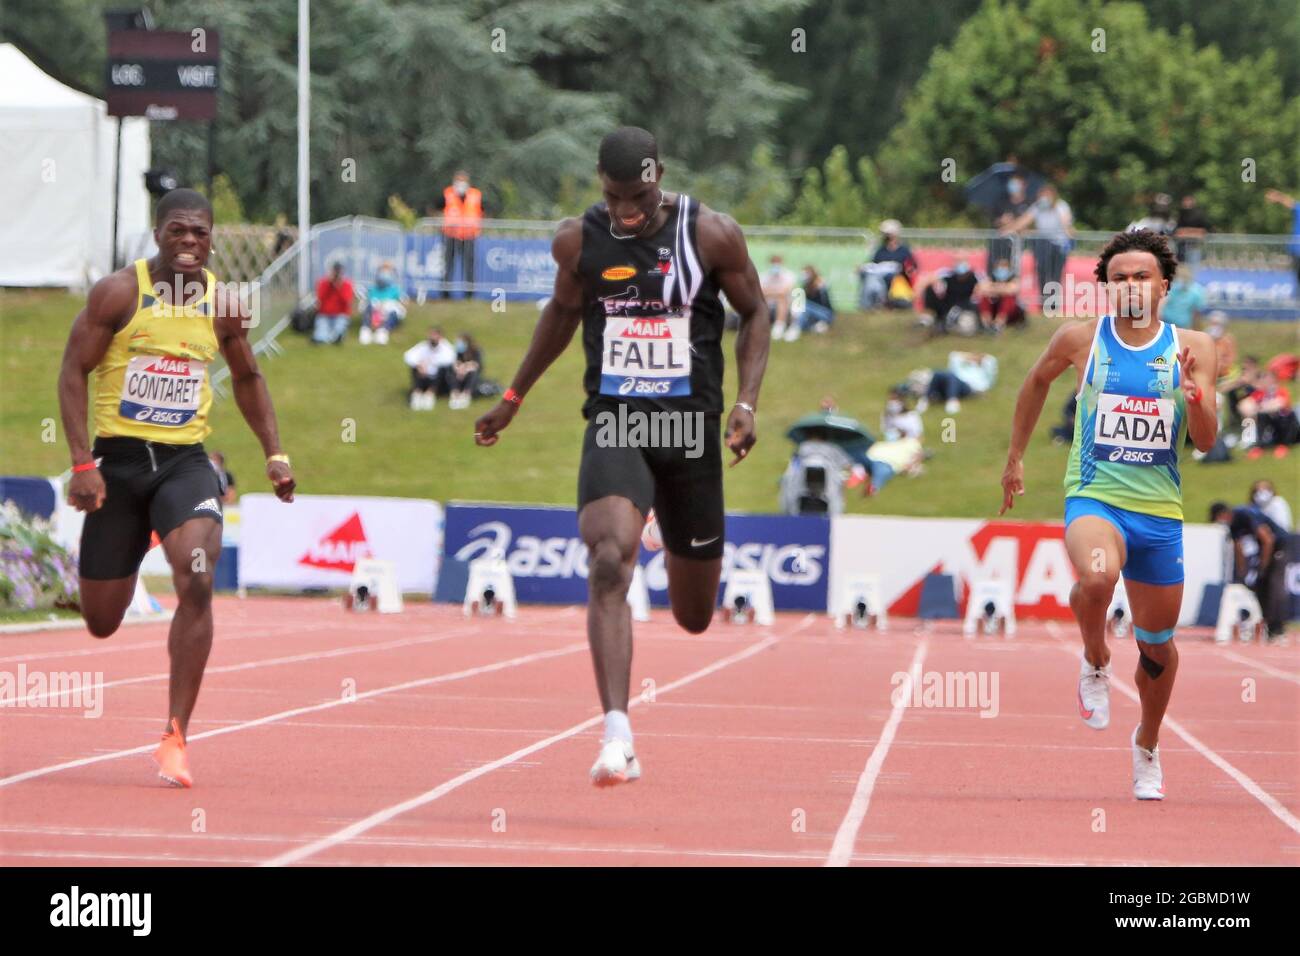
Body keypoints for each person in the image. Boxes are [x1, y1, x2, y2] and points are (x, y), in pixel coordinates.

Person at [473, 126, 770, 787]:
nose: (626, 212)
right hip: (617, 419)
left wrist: (747, 402)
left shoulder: (711, 234)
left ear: (659, 176)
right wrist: (514, 397)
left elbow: (757, 314)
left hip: (691, 430)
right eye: (614, 198)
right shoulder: (578, 240)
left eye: (637, 197)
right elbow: (561, 311)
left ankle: (665, 514)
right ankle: (617, 735)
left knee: (694, 617)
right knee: (608, 559)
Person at [57, 188, 296, 788]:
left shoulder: (225, 304)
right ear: (158, 234)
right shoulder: (119, 292)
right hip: (117, 464)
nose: (190, 243)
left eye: (201, 233)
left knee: (197, 571)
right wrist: (82, 462)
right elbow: (72, 369)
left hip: (183, 462)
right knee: (102, 621)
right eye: (178, 232)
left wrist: (274, 452)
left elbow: (248, 376)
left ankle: (175, 735)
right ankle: (128, 545)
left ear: (213, 237)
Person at [1000, 229, 1218, 801]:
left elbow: (1206, 442)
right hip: (1096, 497)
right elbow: (1035, 382)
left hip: (1159, 513)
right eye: (1118, 277)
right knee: (1096, 576)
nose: (1130, 286)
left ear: (1163, 286)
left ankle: (1146, 744)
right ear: (1105, 289)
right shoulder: (1081, 340)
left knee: (1157, 646)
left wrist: (1194, 396)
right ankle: (1095, 657)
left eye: (1141, 275)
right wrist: (1015, 457)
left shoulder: (1194, 346)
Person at [1210, 496, 1288, 642]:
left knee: (1273, 586)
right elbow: (1238, 548)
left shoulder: (1243, 514)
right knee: (1258, 587)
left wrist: (1262, 567)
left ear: (1222, 514)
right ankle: (1264, 627)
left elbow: (1268, 539)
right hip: (1264, 551)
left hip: (1279, 548)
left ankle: (1278, 629)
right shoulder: (1233, 525)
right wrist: (1242, 574)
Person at [1004, 183, 1073, 310]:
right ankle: (1043, 302)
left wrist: (1068, 229)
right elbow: (1024, 220)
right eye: (1042, 195)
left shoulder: (1060, 206)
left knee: (1055, 275)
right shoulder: (1038, 206)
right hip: (1043, 243)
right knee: (1041, 272)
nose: (1044, 198)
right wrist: (1007, 229)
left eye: (1047, 196)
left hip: (1059, 245)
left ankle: (1053, 305)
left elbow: (1066, 222)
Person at [433, 170, 485, 299]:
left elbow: (484, 210)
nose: (461, 183)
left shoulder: (475, 195)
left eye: (463, 180)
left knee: (469, 265)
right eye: (459, 180)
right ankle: (445, 293)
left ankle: (469, 294)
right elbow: (434, 207)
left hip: (469, 235)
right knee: (448, 264)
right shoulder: (448, 193)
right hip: (451, 235)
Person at [1242, 369, 1297, 457]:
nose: (1265, 380)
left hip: (1285, 422)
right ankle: (1259, 447)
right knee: (1261, 416)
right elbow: (1245, 405)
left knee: (1285, 416)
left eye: (1267, 378)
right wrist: (1259, 408)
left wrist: (1259, 407)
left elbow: (1280, 404)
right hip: (1270, 422)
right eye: (1263, 378)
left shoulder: (1281, 390)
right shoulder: (1261, 393)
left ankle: (1283, 445)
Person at [403, 327, 457, 410]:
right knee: (414, 368)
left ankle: (430, 395)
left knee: (443, 369)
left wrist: (430, 364)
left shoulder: (445, 347)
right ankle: (417, 394)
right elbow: (408, 356)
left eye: (435, 335)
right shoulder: (423, 346)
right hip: (423, 375)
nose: (432, 337)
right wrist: (419, 365)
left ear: (440, 336)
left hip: (438, 378)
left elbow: (450, 359)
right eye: (431, 335)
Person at [870, 219, 918, 309]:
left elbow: (912, 267)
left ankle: (889, 301)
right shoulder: (880, 251)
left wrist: (906, 269)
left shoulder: (904, 251)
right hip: (880, 280)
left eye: (888, 234)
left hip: (899, 283)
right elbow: (873, 265)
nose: (886, 236)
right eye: (885, 234)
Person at [976, 257, 1026, 331]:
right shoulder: (992, 277)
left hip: (1010, 311)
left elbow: (1012, 290)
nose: (1001, 270)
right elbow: (982, 288)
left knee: (1008, 298)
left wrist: (993, 288)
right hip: (994, 307)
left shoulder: (1013, 278)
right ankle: (986, 324)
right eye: (999, 267)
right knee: (984, 299)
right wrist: (1003, 288)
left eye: (1004, 267)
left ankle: (998, 324)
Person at [361, 262, 406, 345]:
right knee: (369, 306)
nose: (384, 274)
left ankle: (382, 332)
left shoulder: (395, 289)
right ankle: (366, 330)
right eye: (382, 271)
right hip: (374, 312)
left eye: (386, 272)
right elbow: (366, 301)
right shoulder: (372, 289)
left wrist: (387, 304)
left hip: (387, 313)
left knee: (393, 310)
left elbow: (403, 302)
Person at [313, 262, 354, 345]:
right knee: (321, 332)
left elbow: (346, 301)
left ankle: (334, 337)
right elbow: (320, 298)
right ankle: (325, 338)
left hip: (341, 315)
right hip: (324, 315)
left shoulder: (347, 284)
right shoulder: (323, 283)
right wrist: (329, 284)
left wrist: (339, 287)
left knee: (338, 329)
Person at [761, 254, 797, 338]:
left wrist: (770, 292)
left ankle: (779, 326)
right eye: (773, 263)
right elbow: (761, 292)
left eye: (777, 263)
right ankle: (762, 326)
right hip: (767, 303)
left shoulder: (789, 275)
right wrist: (777, 292)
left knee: (781, 300)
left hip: (784, 305)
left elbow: (785, 292)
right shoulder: (764, 276)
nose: (775, 265)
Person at [1173, 194, 1210, 266]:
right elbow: (1177, 232)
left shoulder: (1199, 215)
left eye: (1188, 201)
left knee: (1194, 269)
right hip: (1181, 249)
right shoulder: (1180, 214)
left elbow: (1203, 232)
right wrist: (1190, 233)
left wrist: (1186, 232)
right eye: (1185, 201)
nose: (1186, 203)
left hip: (1195, 248)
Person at [448, 334, 483, 410]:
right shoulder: (458, 352)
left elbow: (477, 365)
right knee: (451, 373)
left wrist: (465, 368)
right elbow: (456, 363)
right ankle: (455, 395)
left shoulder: (476, 351)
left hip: (471, 375)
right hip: (460, 375)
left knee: (473, 373)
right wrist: (459, 369)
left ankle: (466, 395)